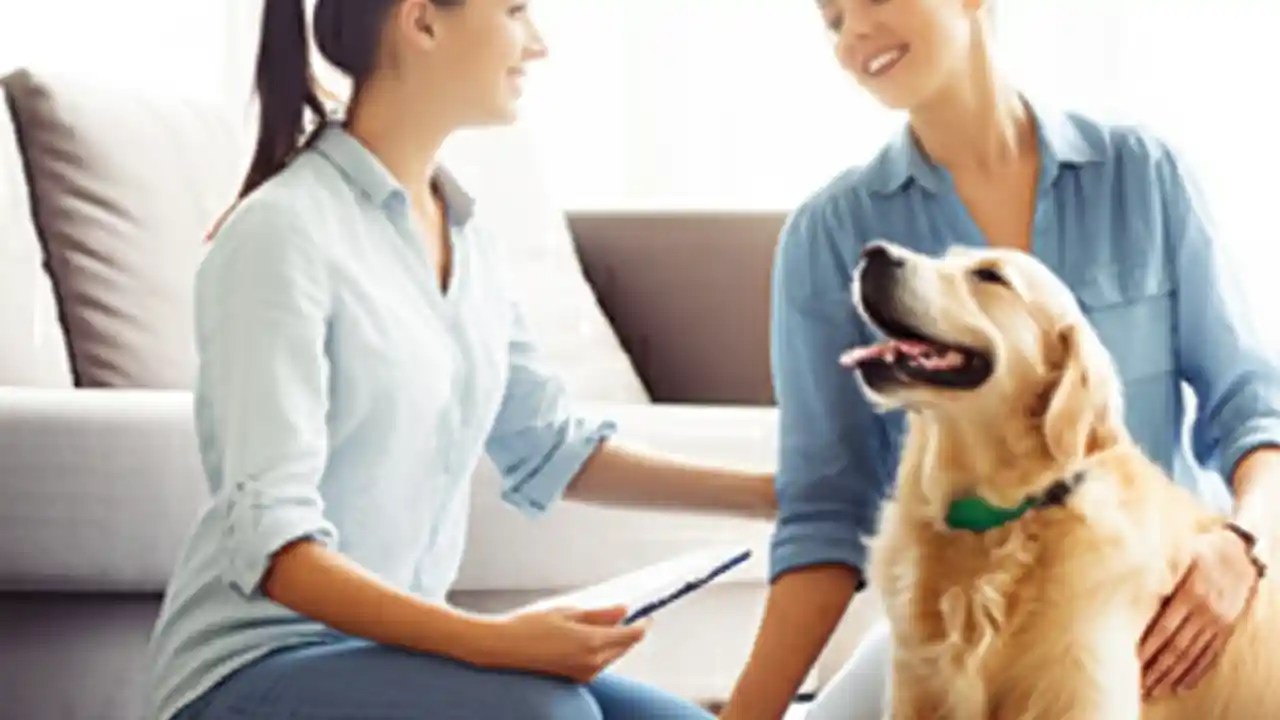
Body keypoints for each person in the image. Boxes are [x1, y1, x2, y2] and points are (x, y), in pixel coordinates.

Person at [143, 1, 777, 719]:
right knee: (548, 715)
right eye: (514, 10)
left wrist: (773, 493)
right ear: (422, 21)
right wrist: (493, 643)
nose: (536, 45)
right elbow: (276, 549)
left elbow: (549, 447)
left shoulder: (467, 237)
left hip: (388, 659)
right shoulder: (282, 234)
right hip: (251, 669)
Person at [719, 1, 1280, 718]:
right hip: (948, 613)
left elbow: (1253, 408)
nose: (854, 32)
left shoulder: (1141, 174)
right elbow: (825, 507)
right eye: (832, 19)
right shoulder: (830, 234)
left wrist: (1242, 548)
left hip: (1147, 605)